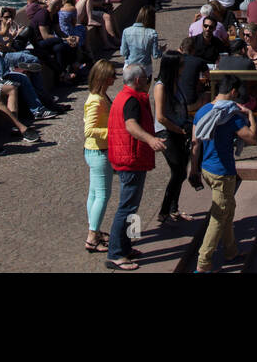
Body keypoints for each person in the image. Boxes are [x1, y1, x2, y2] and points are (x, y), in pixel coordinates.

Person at [190, 76, 257, 272]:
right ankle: (203, 262)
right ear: (234, 92)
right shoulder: (231, 115)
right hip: (223, 171)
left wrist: (194, 169)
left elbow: (195, 144)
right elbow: (252, 138)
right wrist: (251, 114)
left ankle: (231, 250)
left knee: (228, 209)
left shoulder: (202, 111)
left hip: (207, 168)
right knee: (219, 215)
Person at [105, 63, 165, 270]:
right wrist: (150, 139)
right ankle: (116, 253)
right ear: (138, 80)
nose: (148, 83)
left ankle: (127, 245)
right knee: (127, 206)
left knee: (132, 205)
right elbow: (131, 125)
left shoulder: (125, 96)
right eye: (146, 80)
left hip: (130, 157)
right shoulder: (131, 99)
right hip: (130, 158)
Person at [152, 50, 192, 225]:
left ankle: (173, 208)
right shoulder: (161, 86)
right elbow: (160, 116)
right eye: (181, 64)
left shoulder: (175, 82)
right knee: (178, 171)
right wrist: (177, 129)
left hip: (178, 130)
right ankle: (164, 211)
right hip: (167, 132)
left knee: (181, 171)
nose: (184, 67)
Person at [82, 60, 115, 254]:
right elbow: (89, 130)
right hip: (99, 152)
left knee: (94, 194)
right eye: (111, 76)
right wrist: (113, 132)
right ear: (103, 78)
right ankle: (92, 236)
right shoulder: (96, 100)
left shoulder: (98, 96)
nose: (114, 79)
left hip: (94, 151)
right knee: (102, 195)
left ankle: (94, 229)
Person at [120, 6, 162, 72]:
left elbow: (123, 53)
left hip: (129, 67)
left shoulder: (126, 31)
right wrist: (161, 50)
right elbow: (155, 55)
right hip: (145, 68)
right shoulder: (152, 33)